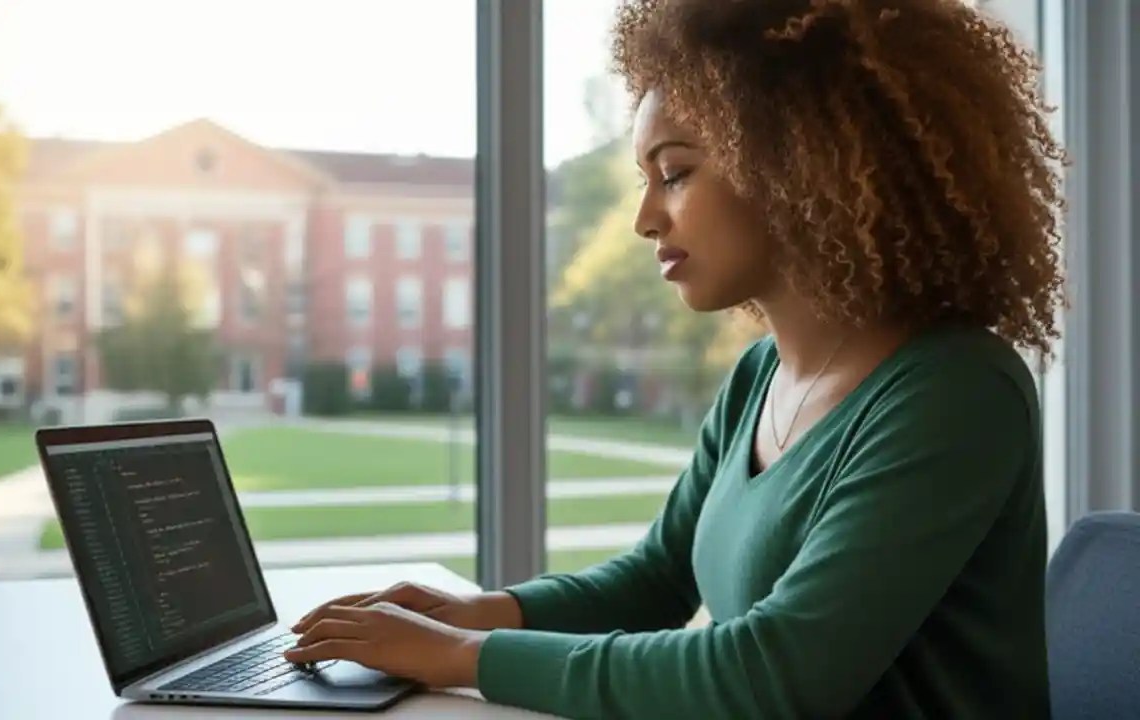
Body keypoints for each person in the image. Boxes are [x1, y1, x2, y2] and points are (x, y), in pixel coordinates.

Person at [286, 0, 1065, 717]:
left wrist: (462, 656)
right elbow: (657, 578)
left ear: (799, 164)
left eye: (676, 173)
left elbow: (775, 673)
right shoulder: (760, 377)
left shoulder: (956, 391)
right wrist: (477, 613)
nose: (644, 218)